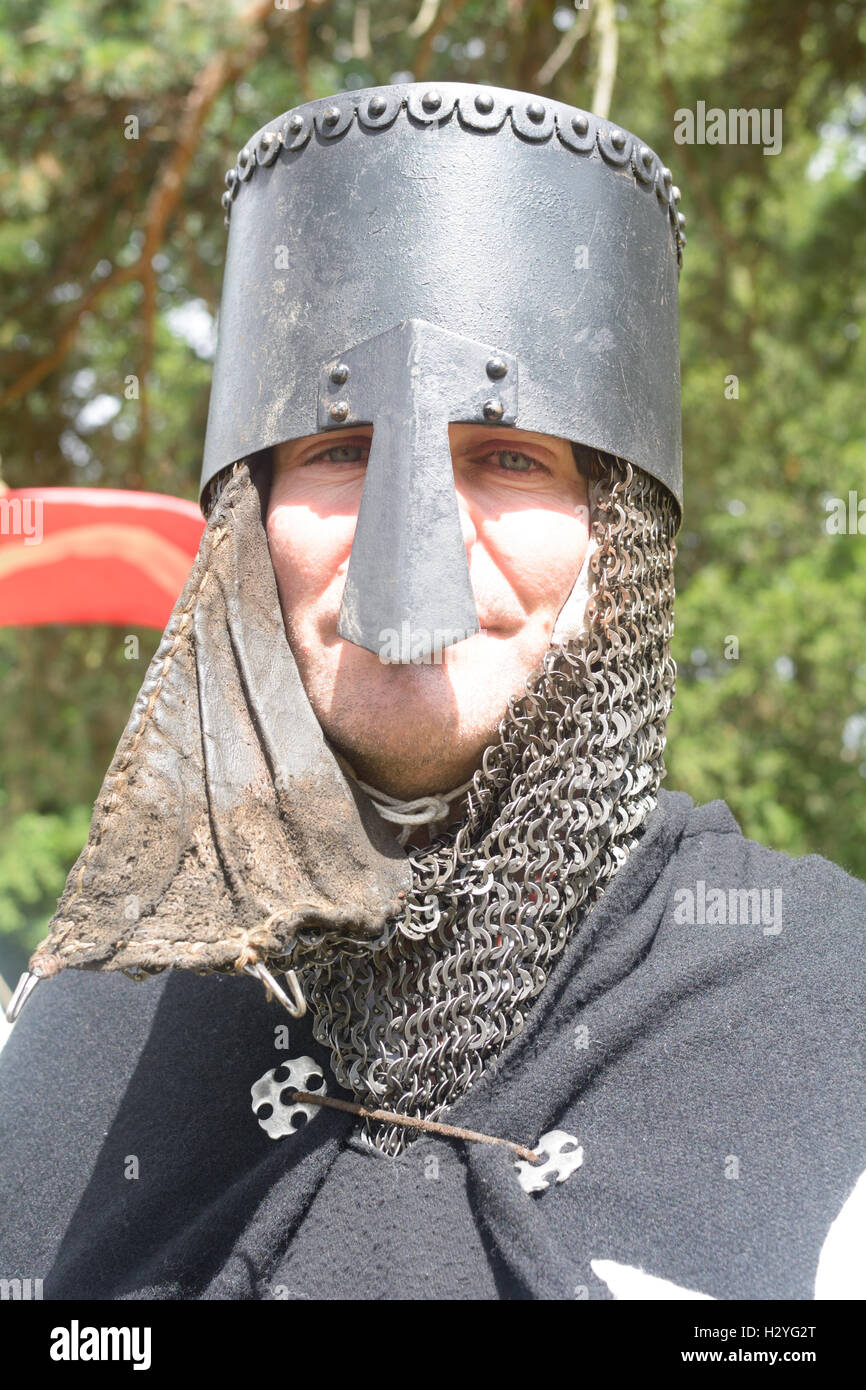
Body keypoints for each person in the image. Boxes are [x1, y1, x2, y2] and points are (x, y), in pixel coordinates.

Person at [0, 80, 863, 1303]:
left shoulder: (821, 1017)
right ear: (246, 526)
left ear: (612, 540)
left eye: (506, 455)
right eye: (339, 449)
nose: (421, 539)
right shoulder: (87, 1031)